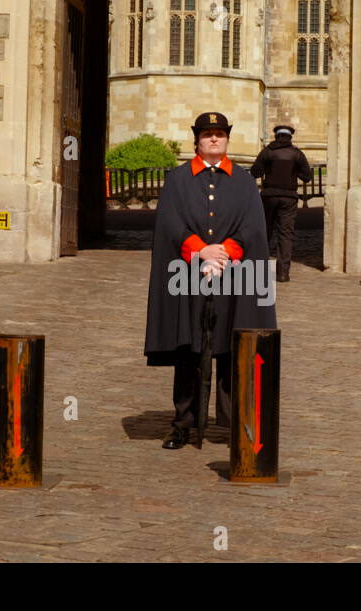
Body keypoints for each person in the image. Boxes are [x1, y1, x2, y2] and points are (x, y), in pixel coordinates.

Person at [144, 112, 277, 449]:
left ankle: (234, 425)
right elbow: (170, 223)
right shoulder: (178, 179)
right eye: (208, 135)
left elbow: (253, 226)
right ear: (197, 140)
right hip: (187, 276)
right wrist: (200, 251)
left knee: (233, 349)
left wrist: (225, 253)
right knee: (190, 349)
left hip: (236, 277)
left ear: (227, 139)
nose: (214, 139)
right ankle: (182, 423)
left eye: (219, 134)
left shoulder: (244, 181)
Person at [250, 125, 313, 282]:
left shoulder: (268, 151)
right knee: (285, 235)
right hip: (289, 198)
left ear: (276, 136)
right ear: (290, 137)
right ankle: (283, 273)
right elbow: (307, 176)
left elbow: (255, 172)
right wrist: (294, 172)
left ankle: (260, 270)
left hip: (269, 196)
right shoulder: (296, 154)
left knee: (265, 232)